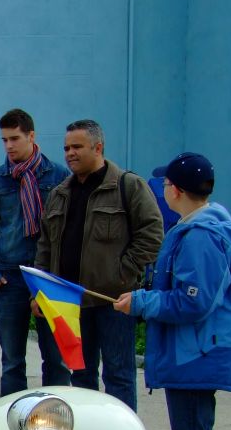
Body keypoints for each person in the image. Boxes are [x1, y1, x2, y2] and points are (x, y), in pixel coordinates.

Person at [113, 152, 231, 430]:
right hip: (192, 354)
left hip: (196, 356)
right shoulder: (194, 227)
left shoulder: (201, 236)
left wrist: (141, 302)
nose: (162, 190)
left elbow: (193, 303)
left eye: (166, 184)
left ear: (178, 190)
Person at [33, 119, 163, 411]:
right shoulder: (60, 193)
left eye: (77, 146)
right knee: (80, 376)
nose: (70, 153)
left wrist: (122, 273)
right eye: (66, 148)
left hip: (113, 303)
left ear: (98, 147)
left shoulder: (127, 186)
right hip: (69, 304)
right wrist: (40, 291)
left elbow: (152, 234)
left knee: (118, 375)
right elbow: (44, 246)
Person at [0, 108, 72, 396]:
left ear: (31, 136)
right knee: (12, 361)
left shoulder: (58, 176)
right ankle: (12, 422)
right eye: (4, 140)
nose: (9, 146)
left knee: (56, 359)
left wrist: (61, 274)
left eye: (14, 138)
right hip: (10, 276)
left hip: (48, 276)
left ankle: (56, 420)